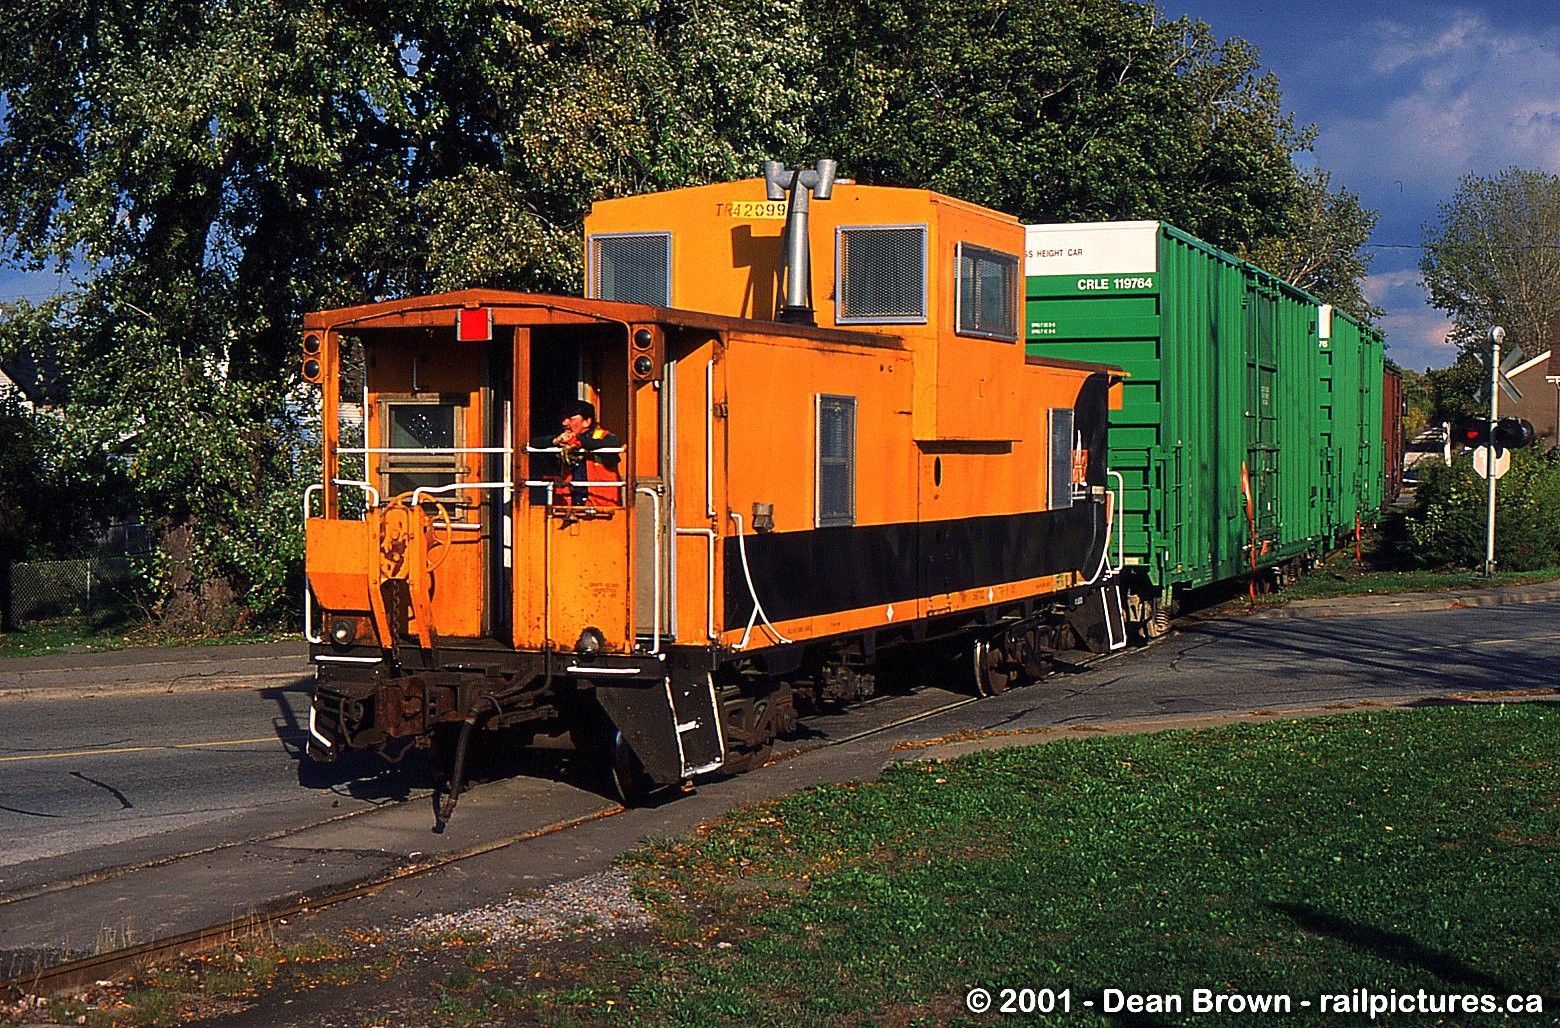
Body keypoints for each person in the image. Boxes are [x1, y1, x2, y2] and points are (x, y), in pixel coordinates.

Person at [534, 400, 621, 506]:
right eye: (563, 419)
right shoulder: (562, 440)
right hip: (569, 506)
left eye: (571, 419)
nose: (564, 423)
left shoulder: (605, 437)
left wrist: (579, 442)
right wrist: (555, 441)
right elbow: (531, 443)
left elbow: (615, 444)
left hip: (602, 506)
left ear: (586, 422)